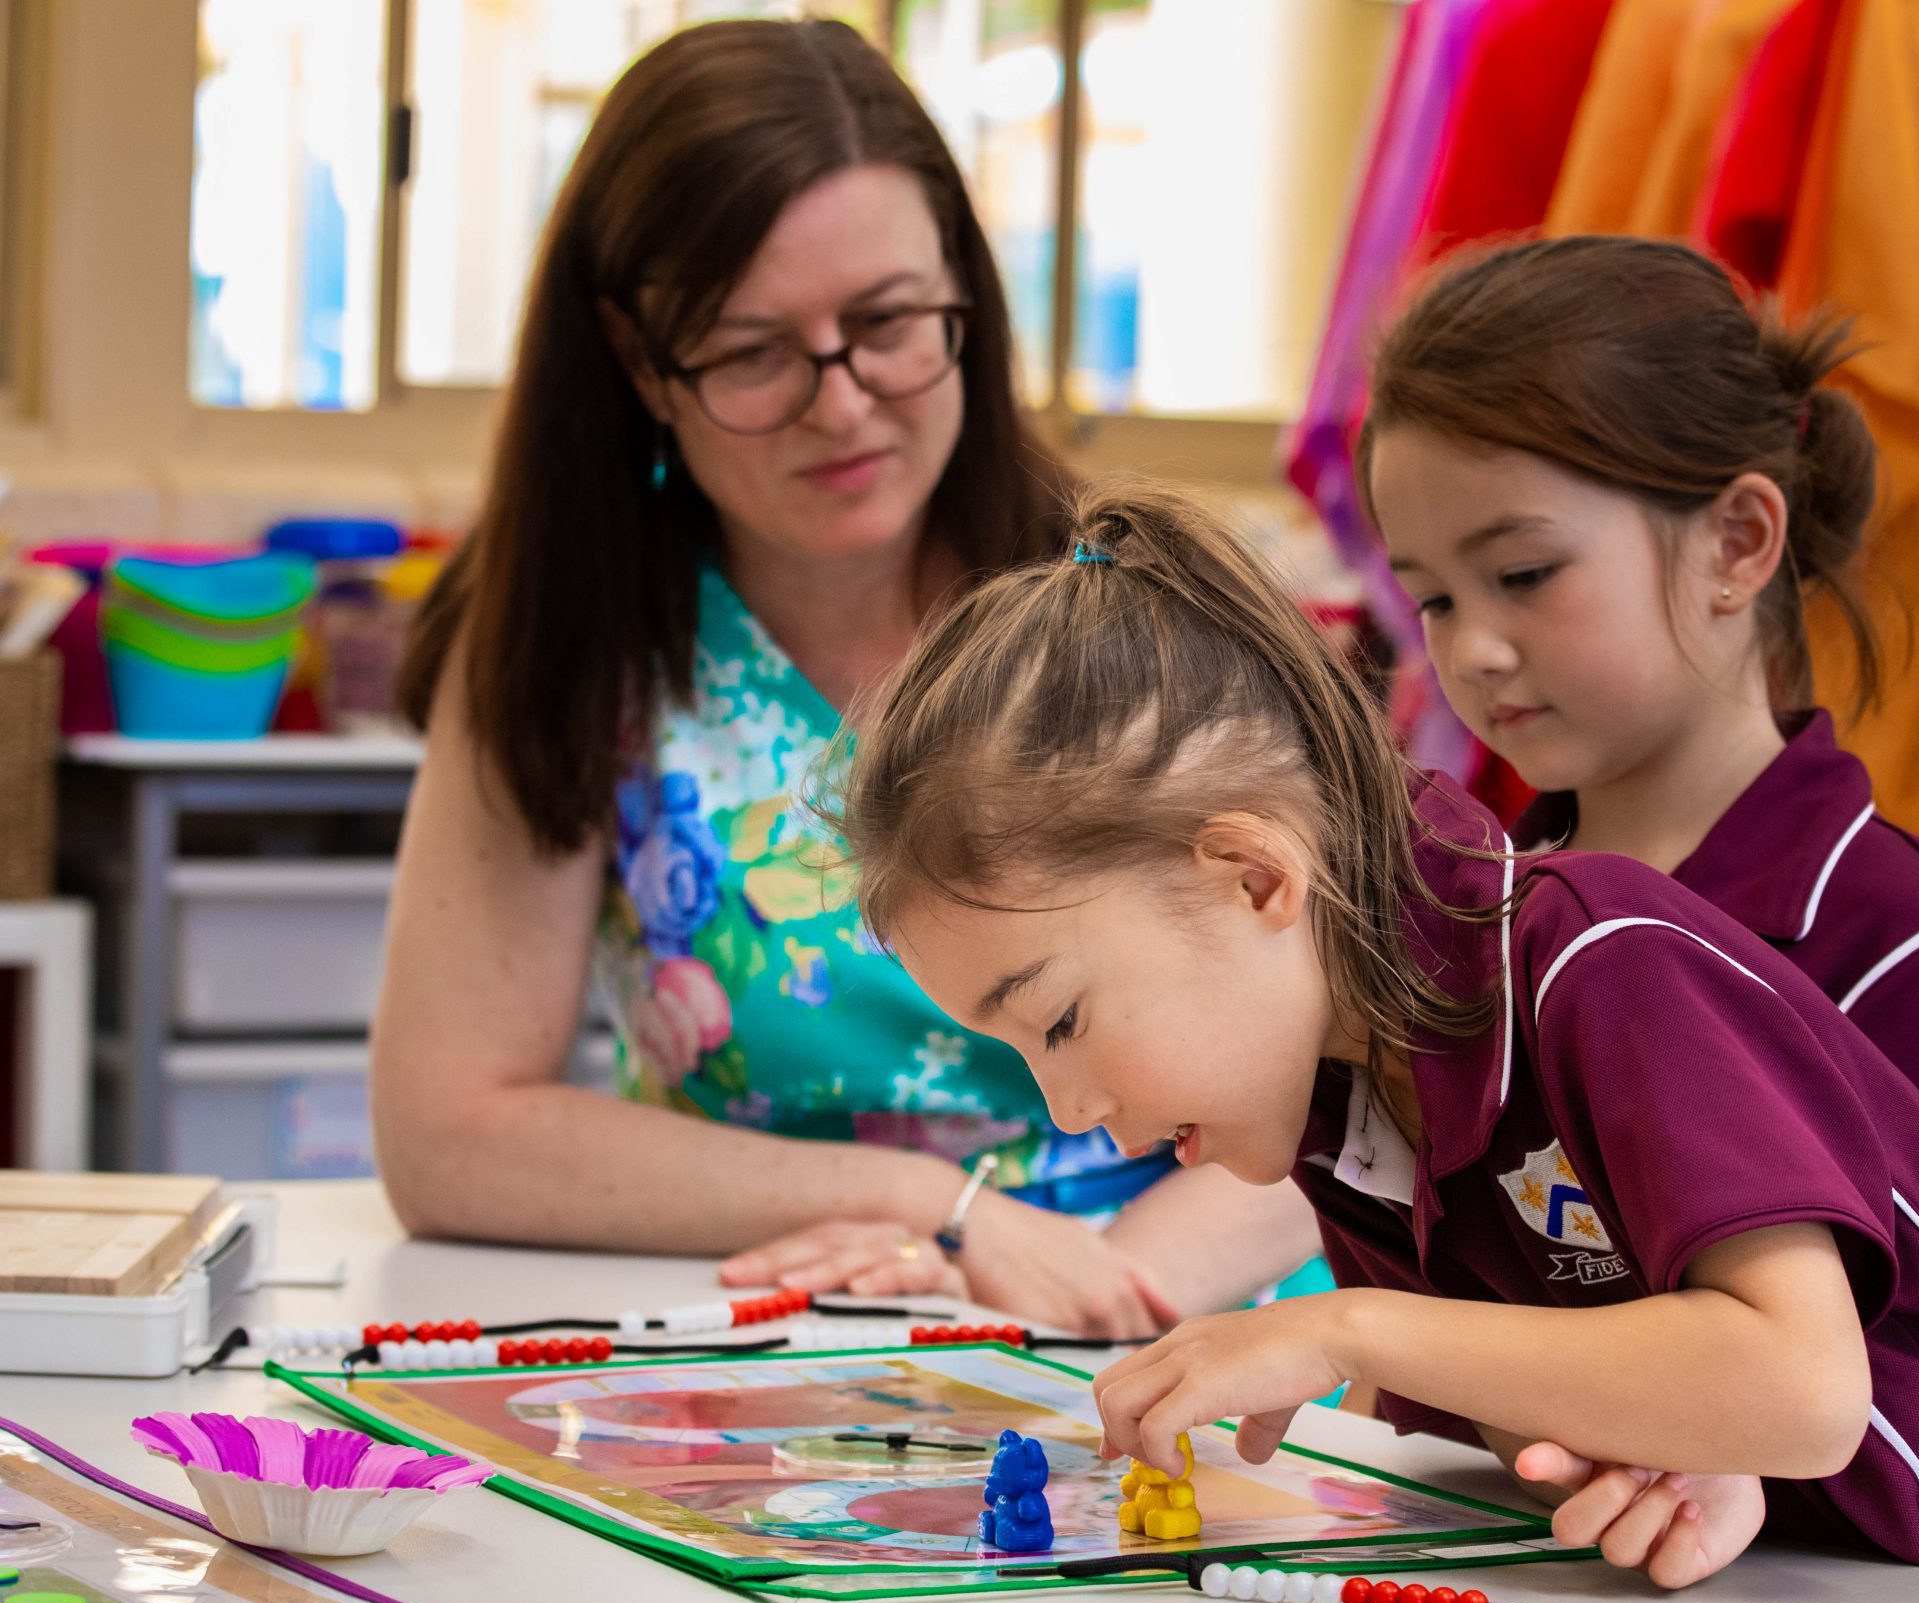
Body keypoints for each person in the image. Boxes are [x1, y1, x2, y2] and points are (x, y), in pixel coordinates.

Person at [826, 480, 1919, 1603]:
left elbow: (1807, 1385)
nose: (1075, 1113)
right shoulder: (1338, 1105)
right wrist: (1661, 1449)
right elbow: (1539, 1417)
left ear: (1253, 876)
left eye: (1058, 1020)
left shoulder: (1600, 963)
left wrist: (1334, 1323)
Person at [372, 19, 1315, 1336]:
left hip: (1192, 1321)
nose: (844, 403)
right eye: (753, 351)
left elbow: (1368, 1043)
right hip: (791, 1330)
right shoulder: (570, 633)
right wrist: (940, 1207)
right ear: (640, 362)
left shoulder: (1135, 599)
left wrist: (1104, 1290)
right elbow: (450, 1133)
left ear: (965, 301)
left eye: (887, 324)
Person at [1363, 237, 1919, 1214]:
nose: (1474, 652)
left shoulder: (1881, 925)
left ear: (1737, 540)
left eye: (1522, 576)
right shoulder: (1491, 908)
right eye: (1433, 600)